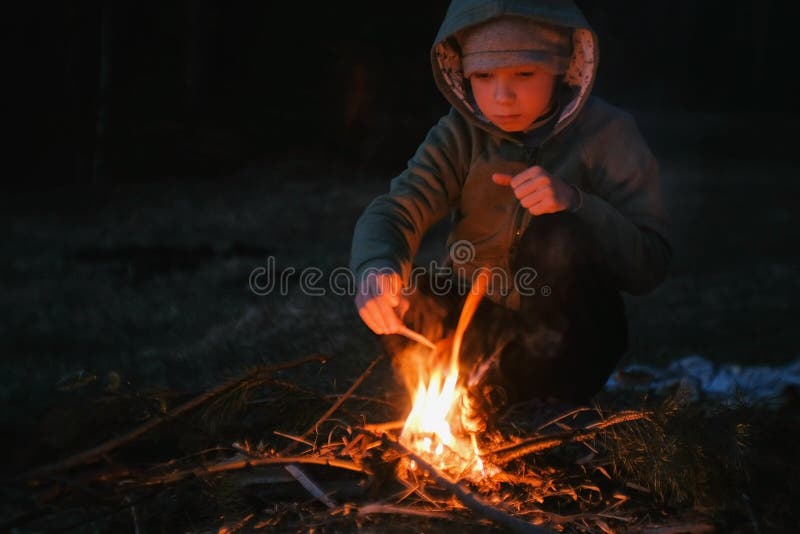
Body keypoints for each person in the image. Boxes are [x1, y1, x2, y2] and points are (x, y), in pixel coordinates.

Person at [349, 0, 672, 424]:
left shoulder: (607, 134)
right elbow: (398, 209)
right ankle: (475, 404)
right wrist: (376, 269)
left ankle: (550, 405)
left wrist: (577, 203)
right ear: (461, 72)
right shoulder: (460, 136)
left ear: (562, 67)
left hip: (571, 337)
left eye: (524, 74)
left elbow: (650, 262)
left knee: (554, 233)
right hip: (478, 330)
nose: (502, 97)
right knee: (410, 293)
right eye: (483, 76)